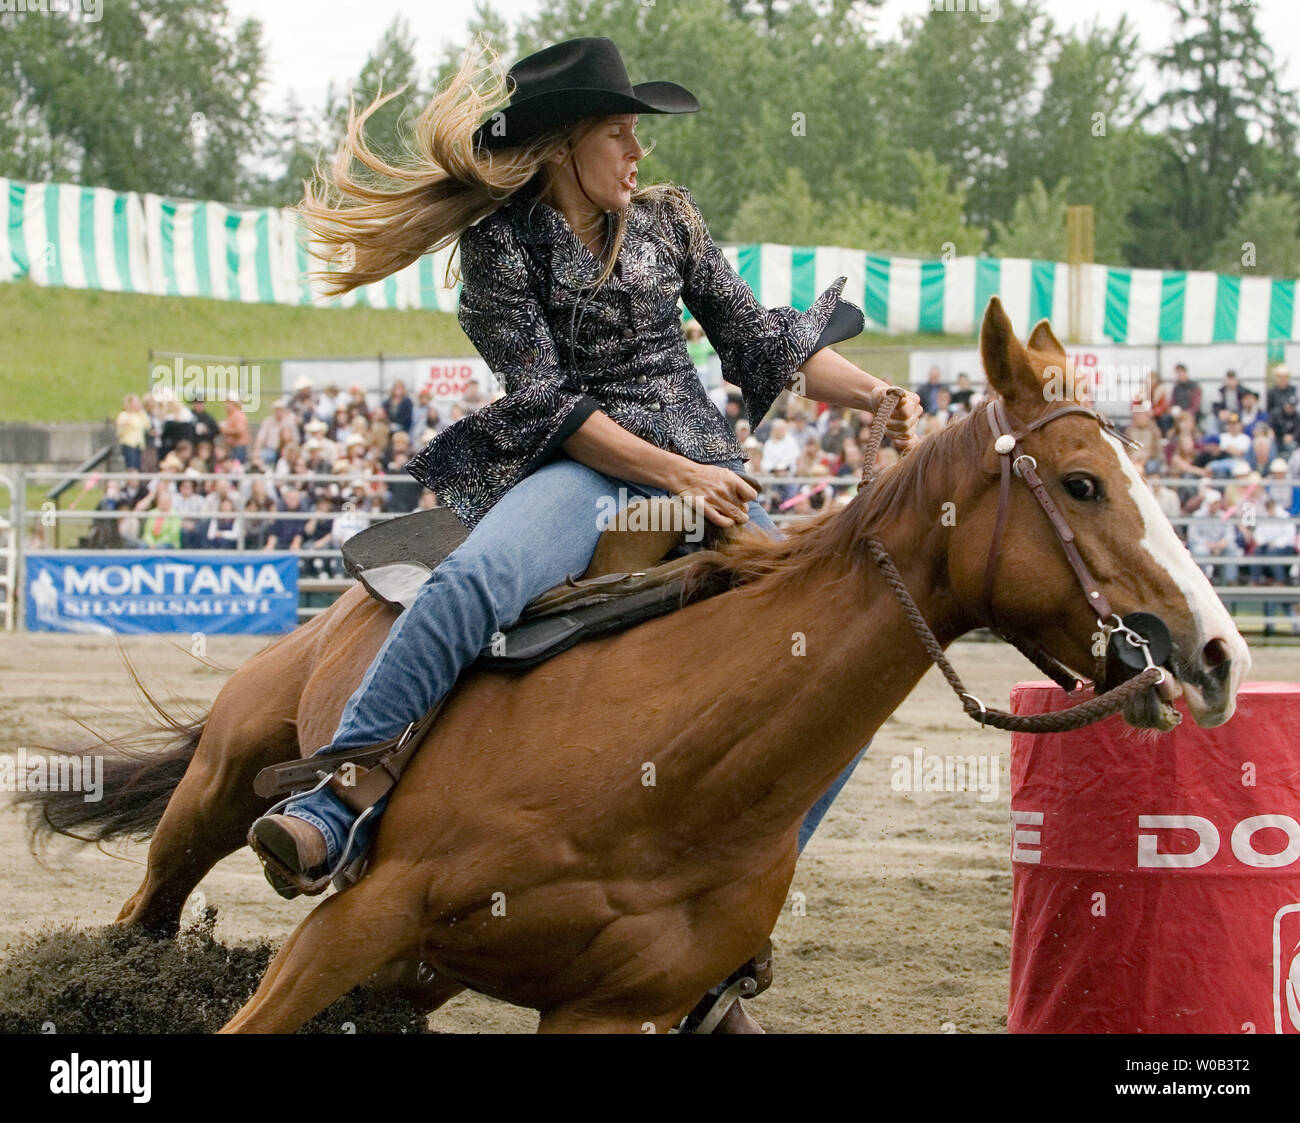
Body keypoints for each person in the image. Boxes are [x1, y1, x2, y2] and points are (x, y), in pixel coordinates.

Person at [247, 37, 921, 1013]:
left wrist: (872, 393)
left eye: (637, 136)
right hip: (579, 467)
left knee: (840, 650)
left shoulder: (668, 222)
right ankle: (339, 794)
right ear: (565, 144)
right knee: (470, 583)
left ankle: (737, 899)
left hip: (703, 473)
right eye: (618, 134)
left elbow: (758, 338)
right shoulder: (500, 244)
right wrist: (676, 473)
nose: (636, 153)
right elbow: (542, 400)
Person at [115, 393, 149, 471]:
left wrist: (141, 411)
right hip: (129, 445)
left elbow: (147, 425)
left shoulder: (139, 415)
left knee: (137, 468)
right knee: (131, 468)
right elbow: (120, 426)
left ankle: (135, 482)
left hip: (138, 445)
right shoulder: (124, 415)